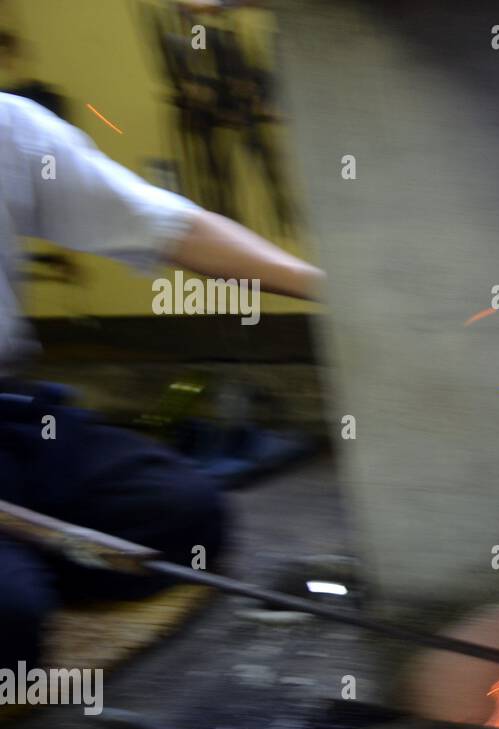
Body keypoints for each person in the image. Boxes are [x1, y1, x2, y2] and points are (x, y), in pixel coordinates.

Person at [0, 91, 323, 670]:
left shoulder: (9, 126)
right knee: (10, 622)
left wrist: (328, 287)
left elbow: (170, 225)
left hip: (8, 418)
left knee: (181, 515)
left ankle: (24, 560)